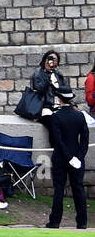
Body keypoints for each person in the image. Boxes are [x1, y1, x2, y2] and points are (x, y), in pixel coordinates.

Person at [45, 86, 88, 229]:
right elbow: (84, 140)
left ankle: (55, 220)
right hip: (76, 155)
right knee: (78, 189)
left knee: (59, 189)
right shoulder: (80, 115)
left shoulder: (56, 116)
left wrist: (69, 157)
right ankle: (82, 222)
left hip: (61, 157)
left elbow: (57, 140)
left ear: (59, 99)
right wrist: (79, 157)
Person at [31, 50, 70, 116]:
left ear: (57, 63)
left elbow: (67, 91)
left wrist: (73, 104)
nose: (51, 61)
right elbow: (40, 91)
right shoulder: (38, 74)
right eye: (49, 59)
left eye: (54, 60)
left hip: (61, 106)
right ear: (44, 61)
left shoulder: (59, 75)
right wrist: (48, 77)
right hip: (45, 106)